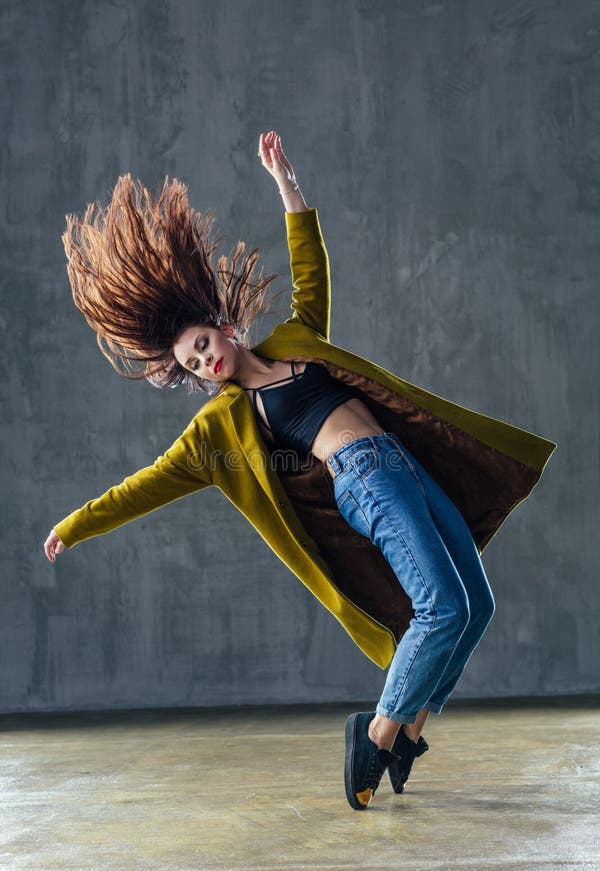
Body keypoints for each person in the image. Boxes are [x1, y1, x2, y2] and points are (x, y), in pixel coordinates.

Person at [43, 131, 557, 810]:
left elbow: (310, 268)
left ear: (223, 325)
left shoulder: (294, 339)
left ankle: (410, 732)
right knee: (442, 608)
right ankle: (375, 733)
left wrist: (288, 183)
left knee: (477, 606)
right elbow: (145, 485)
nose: (204, 363)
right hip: (365, 482)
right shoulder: (217, 428)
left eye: (203, 346)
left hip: (405, 467)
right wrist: (75, 526)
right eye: (192, 365)